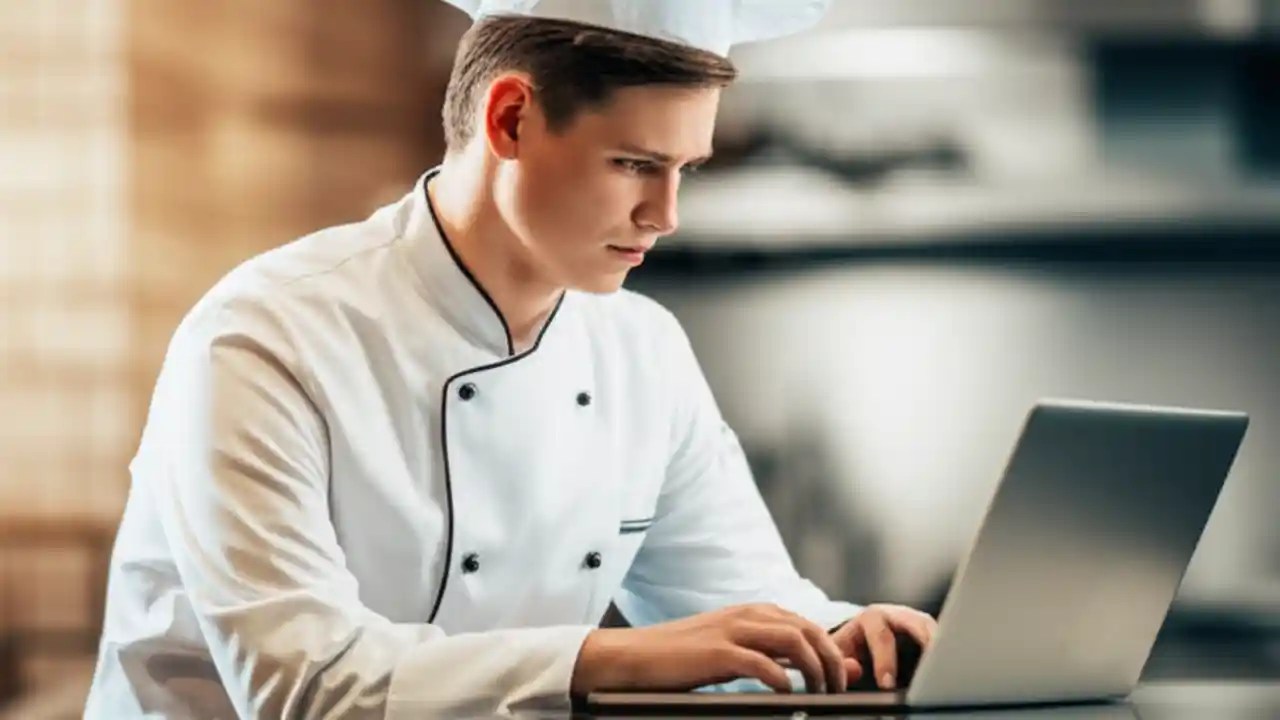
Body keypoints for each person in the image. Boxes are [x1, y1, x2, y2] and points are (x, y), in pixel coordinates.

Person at [85, 1, 937, 717]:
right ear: (510, 120)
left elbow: (740, 608)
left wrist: (842, 637)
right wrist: (612, 658)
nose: (665, 214)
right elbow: (306, 688)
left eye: (686, 170)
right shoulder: (265, 337)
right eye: (635, 165)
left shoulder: (641, 351)